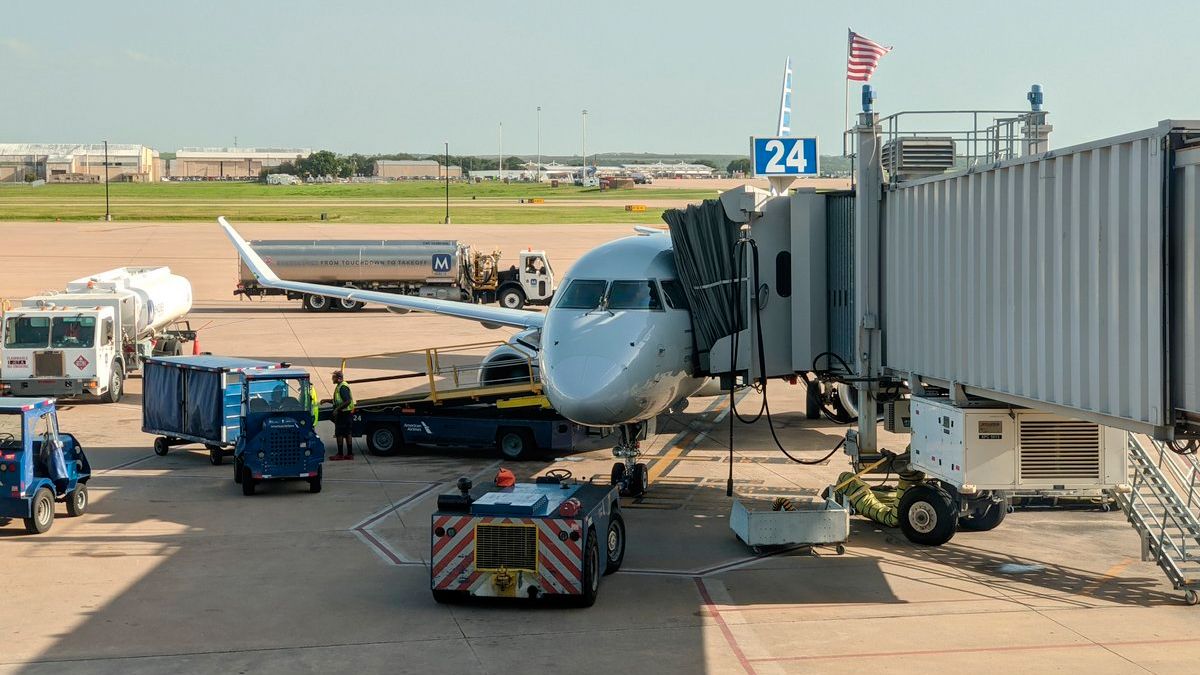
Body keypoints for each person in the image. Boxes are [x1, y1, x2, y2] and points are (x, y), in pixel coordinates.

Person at [324, 370, 356, 460]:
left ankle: (340, 454)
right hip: (347, 413)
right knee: (348, 433)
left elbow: (347, 401)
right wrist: (327, 400)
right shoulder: (340, 386)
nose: (332, 379)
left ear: (338, 378)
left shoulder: (342, 387)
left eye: (333, 378)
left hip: (343, 413)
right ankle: (350, 454)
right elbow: (339, 401)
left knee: (339, 433)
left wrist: (337, 409)